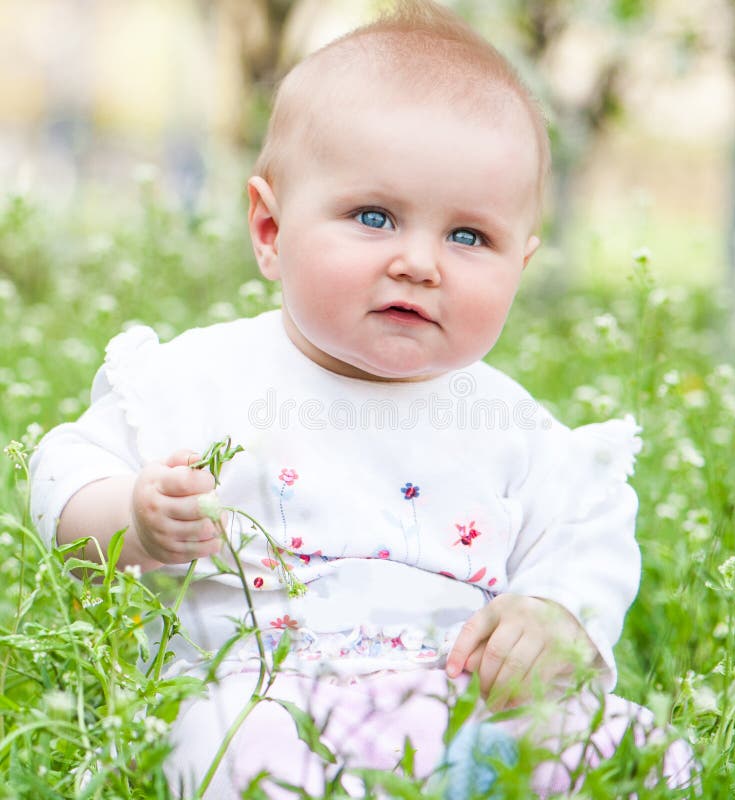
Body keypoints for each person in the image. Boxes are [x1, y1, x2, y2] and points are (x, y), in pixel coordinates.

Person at [30, 1, 693, 796]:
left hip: (459, 709)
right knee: (231, 746)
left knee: (642, 749)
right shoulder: (199, 378)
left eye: (469, 237)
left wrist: (554, 614)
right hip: (259, 694)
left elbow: (588, 534)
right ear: (271, 231)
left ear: (523, 261)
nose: (420, 262)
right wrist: (131, 516)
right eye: (374, 217)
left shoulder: (514, 426)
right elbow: (61, 472)